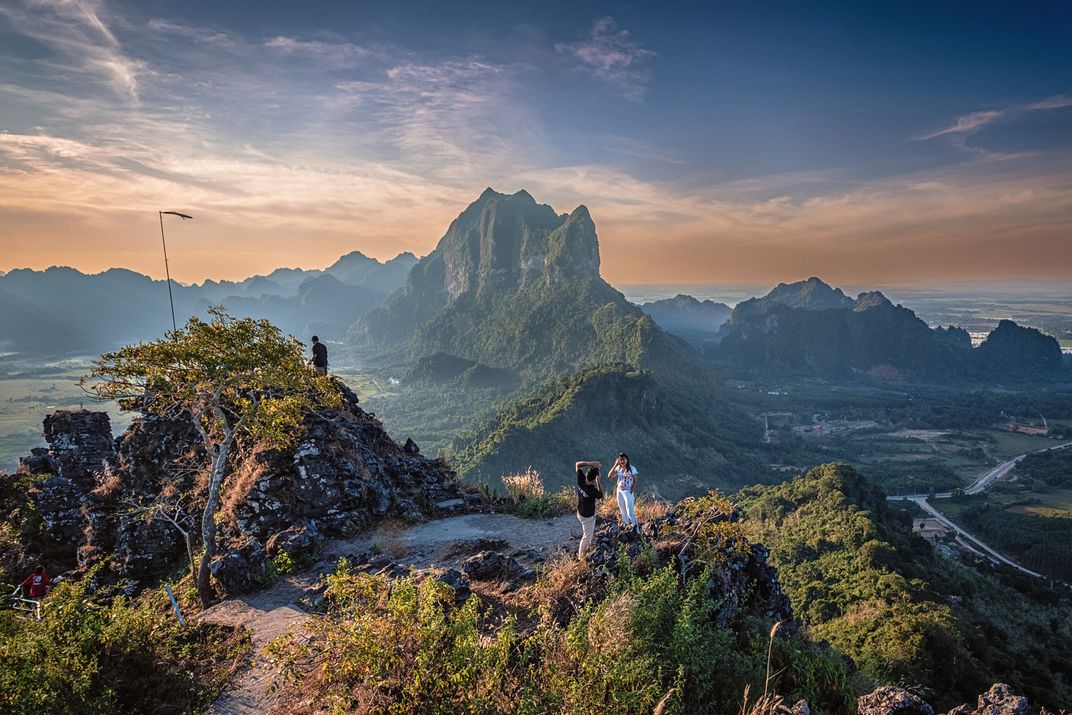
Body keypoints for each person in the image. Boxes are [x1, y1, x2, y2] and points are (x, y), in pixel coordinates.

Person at [575, 460, 603, 560]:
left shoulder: (581, 480)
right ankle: (581, 557)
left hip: (580, 512)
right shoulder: (592, 490)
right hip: (587, 517)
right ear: (595, 478)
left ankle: (587, 548)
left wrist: (590, 464)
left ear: (586, 474)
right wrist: (598, 482)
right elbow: (601, 495)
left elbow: (577, 464)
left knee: (588, 532)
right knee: (587, 536)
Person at [608, 452, 639, 532]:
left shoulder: (632, 469)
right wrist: (615, 464)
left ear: (627, 460)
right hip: (620, 491)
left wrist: (632, 491)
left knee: (630, 513)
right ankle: (627, 529)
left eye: (624, 459)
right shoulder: (618, 468)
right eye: (620, 460)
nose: (622, 461)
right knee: (623, 512)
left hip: (628, 492)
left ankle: (637, 530)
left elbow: (635, 481)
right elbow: (609, 476)